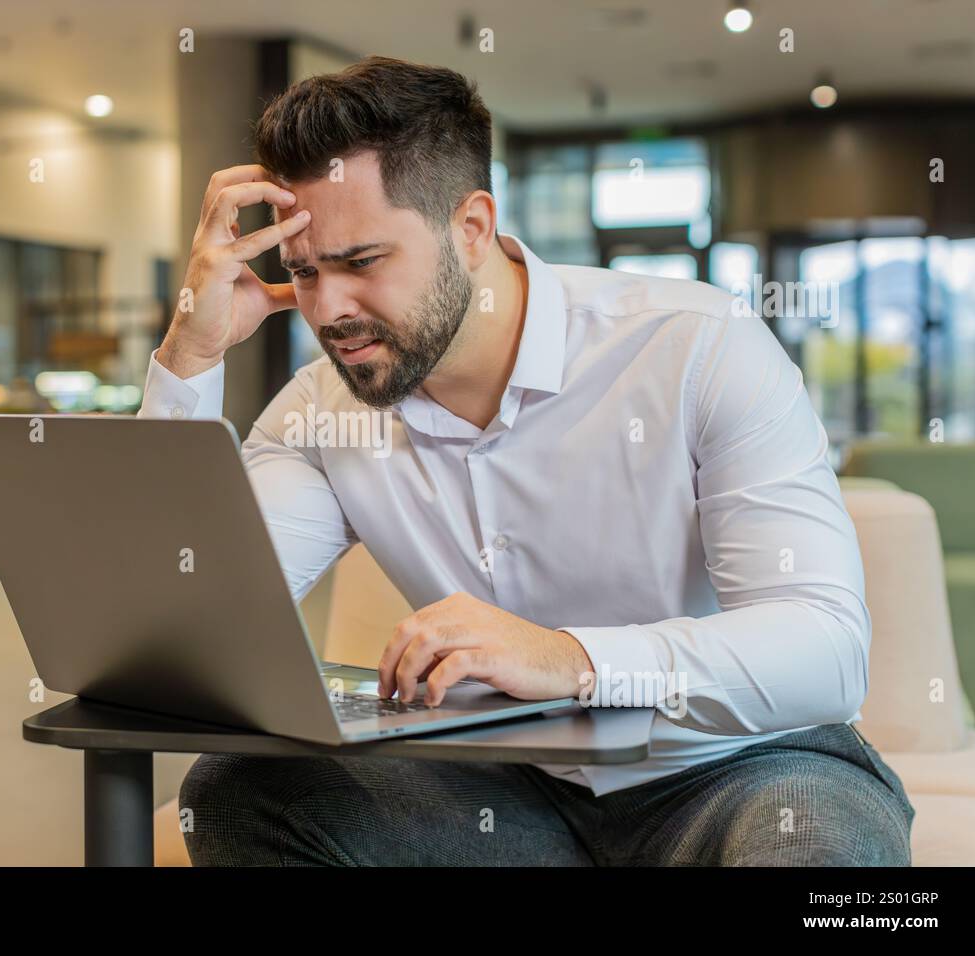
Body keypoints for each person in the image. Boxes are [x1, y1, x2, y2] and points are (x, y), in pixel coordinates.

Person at [139, 56, 915, 866]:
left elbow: (826, 648)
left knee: (818, 852)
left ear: (470, 228)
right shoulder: (319, 413)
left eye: (362, 262)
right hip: (504, 788)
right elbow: (177, 628)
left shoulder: (698, 347)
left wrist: (572, 658)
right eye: (303, 273)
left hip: (739, 766)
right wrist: (189, 357)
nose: (328, 310)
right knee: (235, 793)